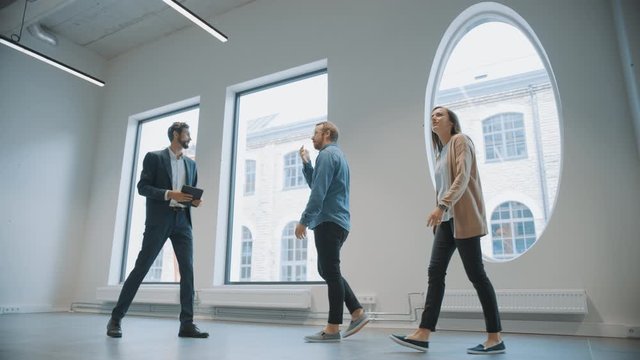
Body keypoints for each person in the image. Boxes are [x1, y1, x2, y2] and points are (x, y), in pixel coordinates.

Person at [389, 107, 505, 354]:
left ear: (452, 122)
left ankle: (495, 337)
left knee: (477, 275)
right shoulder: (440, 152)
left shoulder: (460, 141)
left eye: (440, 114)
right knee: (435, 271)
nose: (434, 117)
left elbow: (462, 177)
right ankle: (423, 333)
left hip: (462, 218)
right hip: (446, 221)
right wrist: (441, 210)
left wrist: (441, 206)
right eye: (432, 115)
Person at [106, 122, 209, 339]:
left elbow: (188, 195)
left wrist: (194, 202)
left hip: (183, 221)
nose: (189, 138)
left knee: (188, 272)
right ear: (175, 134)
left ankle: (187, 324)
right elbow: (143, 187)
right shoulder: (154, 157)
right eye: (187, 134)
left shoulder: (191, 164)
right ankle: (116, 319)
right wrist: (169, 194)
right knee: (141, 267)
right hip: (159, 220)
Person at [296, 121, 369, 342]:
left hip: (328, 221)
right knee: (328, 270)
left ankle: (333, 327)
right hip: (337, 221)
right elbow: (319, 183)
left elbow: (318, 193)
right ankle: (356, 312)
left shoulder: (327, 156)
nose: (312, 138)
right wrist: (307, 163)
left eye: (315, 133)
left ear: (327, 134)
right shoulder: (337, 156)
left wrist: (303, 220)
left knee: (330, 271)